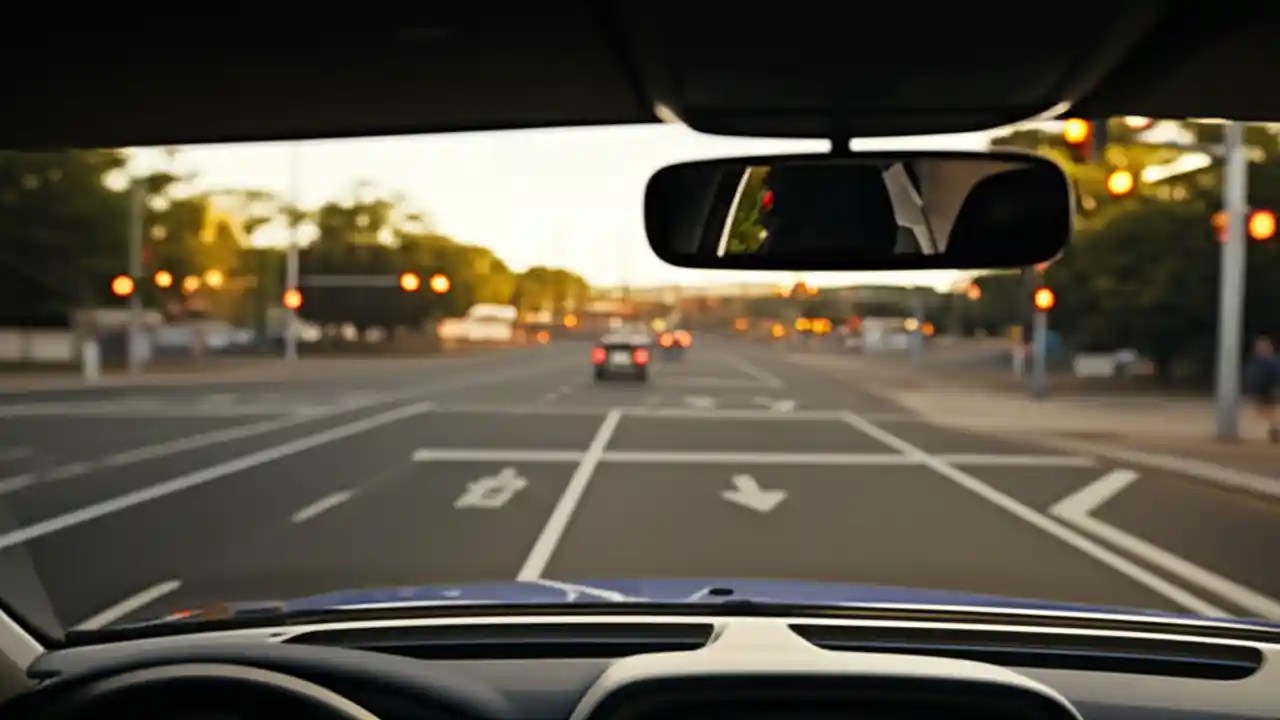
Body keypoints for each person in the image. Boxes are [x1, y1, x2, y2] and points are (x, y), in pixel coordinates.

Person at [1243, 335, 1280, 443]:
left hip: (1269, 388)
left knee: (1267, 410)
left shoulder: (1272, 361)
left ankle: (1274, 429)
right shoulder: (1258, 361)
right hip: (1263, 389)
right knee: (1263, 410)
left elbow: (1275, 375)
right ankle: (1274, 428)